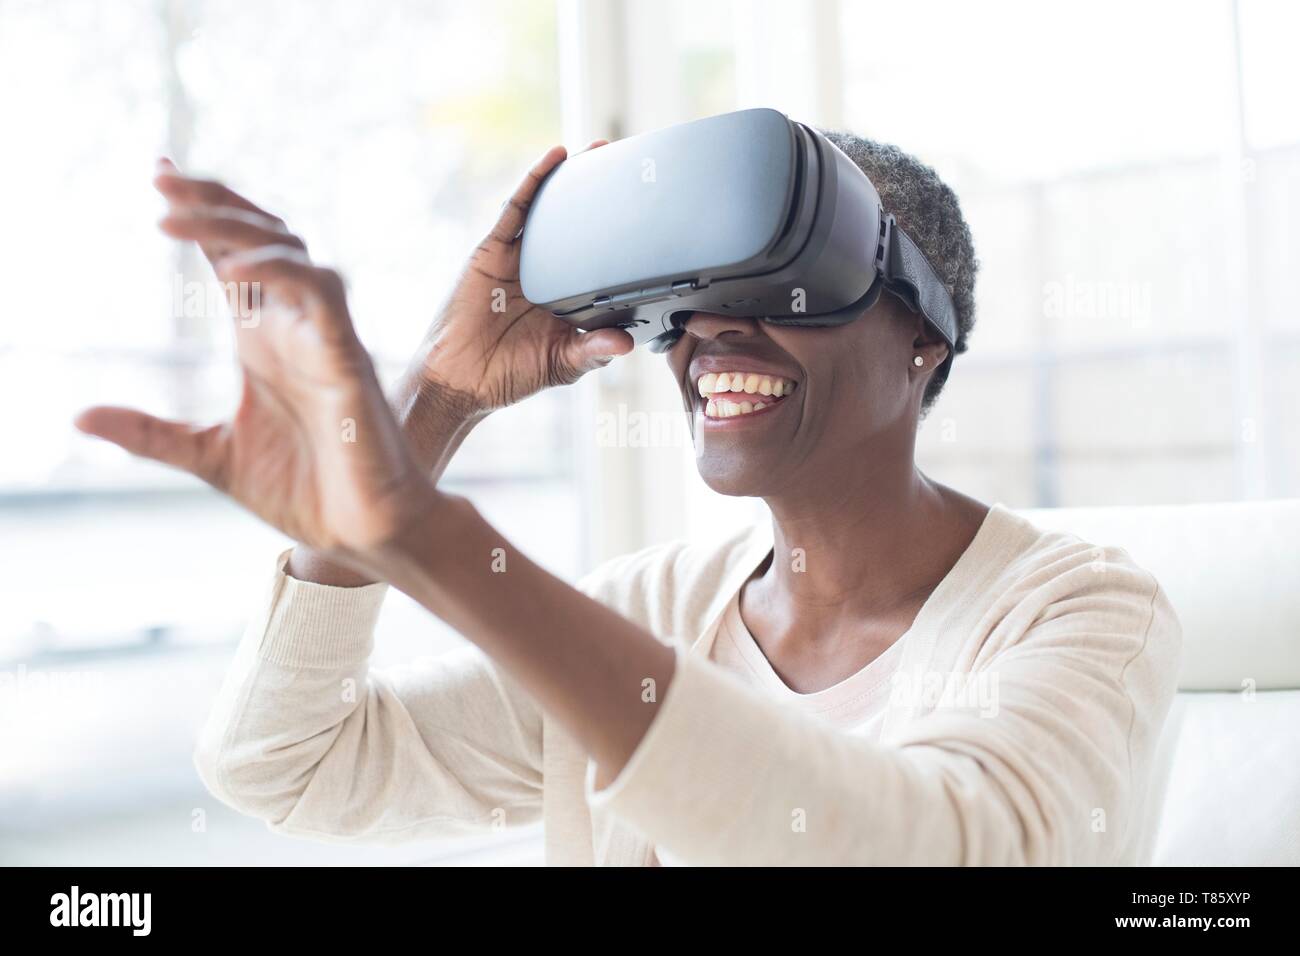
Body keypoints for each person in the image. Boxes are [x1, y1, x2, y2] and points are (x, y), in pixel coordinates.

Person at [76, 133, 1181, 866]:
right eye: (685, 301)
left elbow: (946, 844)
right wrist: (432, 408)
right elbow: (288, 760)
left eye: (777, 284)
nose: (711, 334)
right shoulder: (651, 608)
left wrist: (428, 534)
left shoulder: (1082, 611)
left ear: (924, 340)